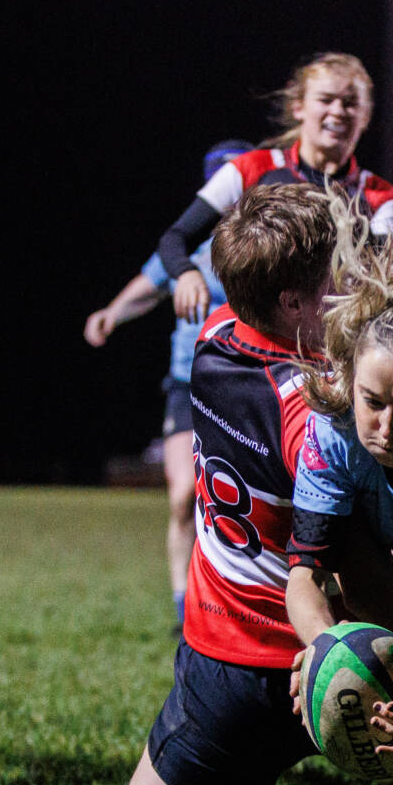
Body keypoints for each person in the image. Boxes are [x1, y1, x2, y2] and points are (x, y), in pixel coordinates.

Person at [102, 184, 350, 785]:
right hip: (307, 658)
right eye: (332, 274)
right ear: (292, 301)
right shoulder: (314, 414)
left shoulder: (216, 339)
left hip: (233, 667)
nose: (344, 282)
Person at [85, 140, 254, 629]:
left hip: (248, 386)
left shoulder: (262, 247)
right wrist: (111, 314)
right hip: (188, 383)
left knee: (245, 503)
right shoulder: (189, 250)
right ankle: (186, 610)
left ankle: (247, 603)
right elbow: (148, 286)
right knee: (183, 496)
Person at [158, 53, 393, 322]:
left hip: (328, 334)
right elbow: (176, 238)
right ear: (299, 107)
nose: (337, 111)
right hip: (250, 330)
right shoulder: (251, 168)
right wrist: (186, 273)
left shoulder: (381, 195)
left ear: (365, 116)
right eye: (325, 99)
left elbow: (379, 272)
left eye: (350, 103)